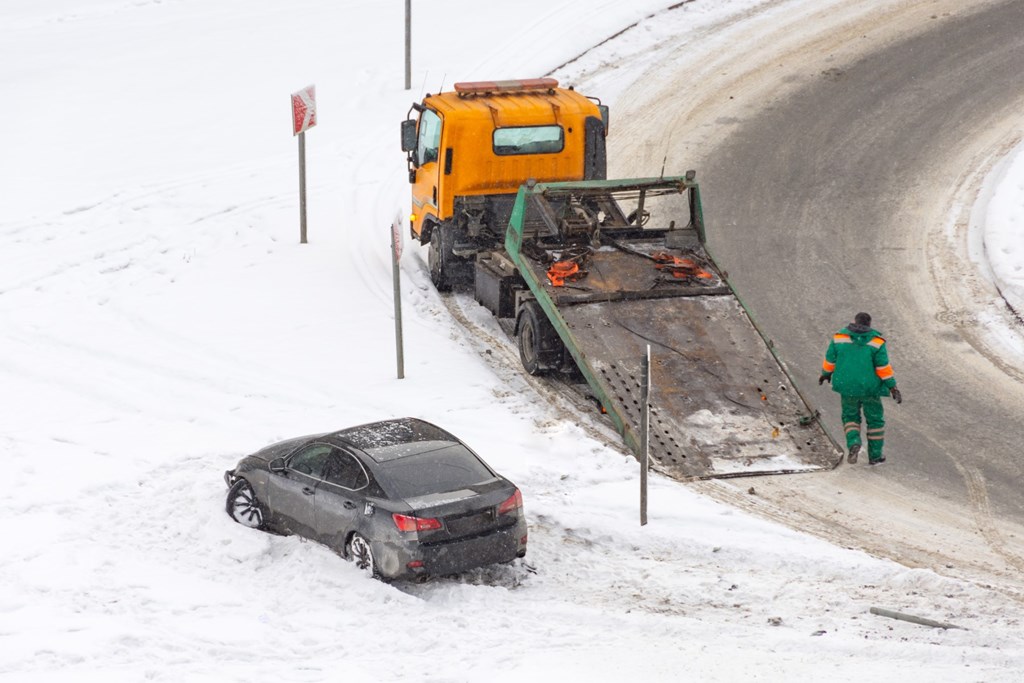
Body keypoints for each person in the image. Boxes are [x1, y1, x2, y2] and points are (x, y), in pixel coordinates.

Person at [818, 312, 902, 465]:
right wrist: (893, 386)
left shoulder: (839, 338)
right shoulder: (876, 342)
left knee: (850, 417)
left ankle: (854, 443)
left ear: (854, 322)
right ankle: (875, 456)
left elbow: (830, 359)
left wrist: (825, 374)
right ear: (869, 325)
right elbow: (882, 368)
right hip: (869, 388)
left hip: (847, 387)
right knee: (875, 420)